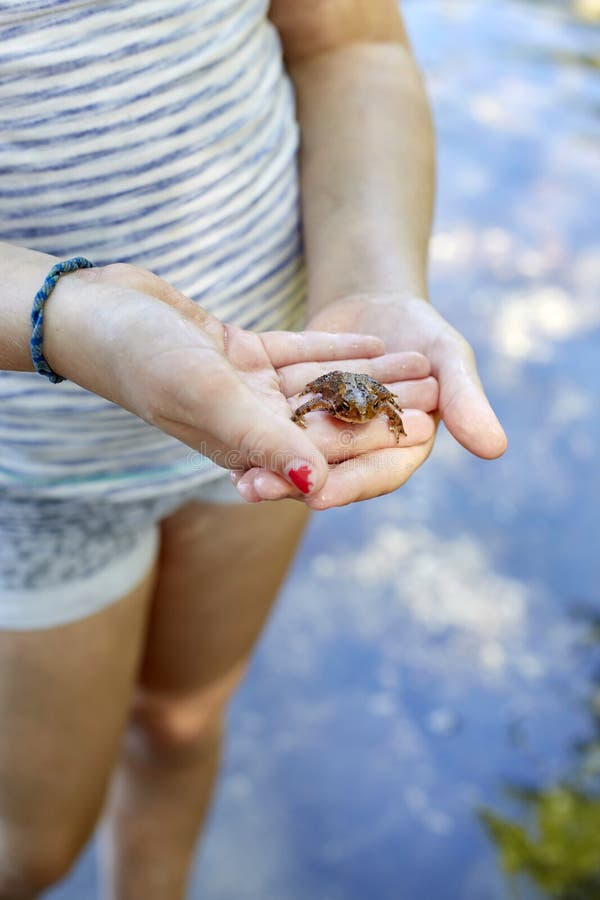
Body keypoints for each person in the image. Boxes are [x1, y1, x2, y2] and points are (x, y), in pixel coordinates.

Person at [0, 0, 507, 897]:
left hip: (275, 398)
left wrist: (371, 294)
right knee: (29, 849)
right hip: (31, 465)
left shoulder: (346, 397)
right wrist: (68, 319)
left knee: (183, 724)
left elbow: (352, 43)